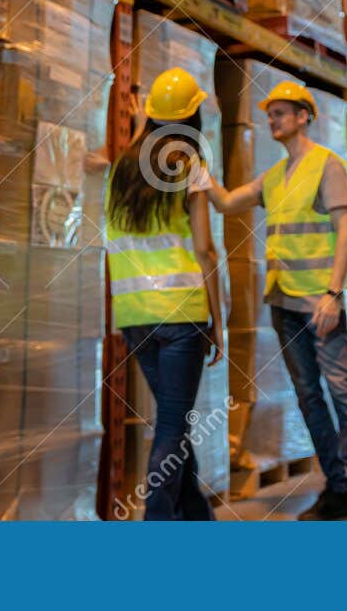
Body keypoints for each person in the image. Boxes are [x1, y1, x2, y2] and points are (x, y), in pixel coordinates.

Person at [203, 82, 347, 521]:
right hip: (283, 303)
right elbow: (225, 203)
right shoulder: (275, 177)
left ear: (303, 116)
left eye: (280, 112)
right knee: (307, 396)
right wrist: (198, 172)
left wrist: (334, 293)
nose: (272, 120)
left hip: (320, 301)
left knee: (342, 393)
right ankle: (337, 489)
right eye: (270, 113)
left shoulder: (327, 166)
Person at [104, 66, 226, 520]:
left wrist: (139, 127)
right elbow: (206, 250)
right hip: (181, 317)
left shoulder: (120, 171)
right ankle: (156, 519)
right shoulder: (187, 167)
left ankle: (197, 519)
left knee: (175, 424)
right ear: (192, 119)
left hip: (135, 317)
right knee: (173, 428)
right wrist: (219, 321)